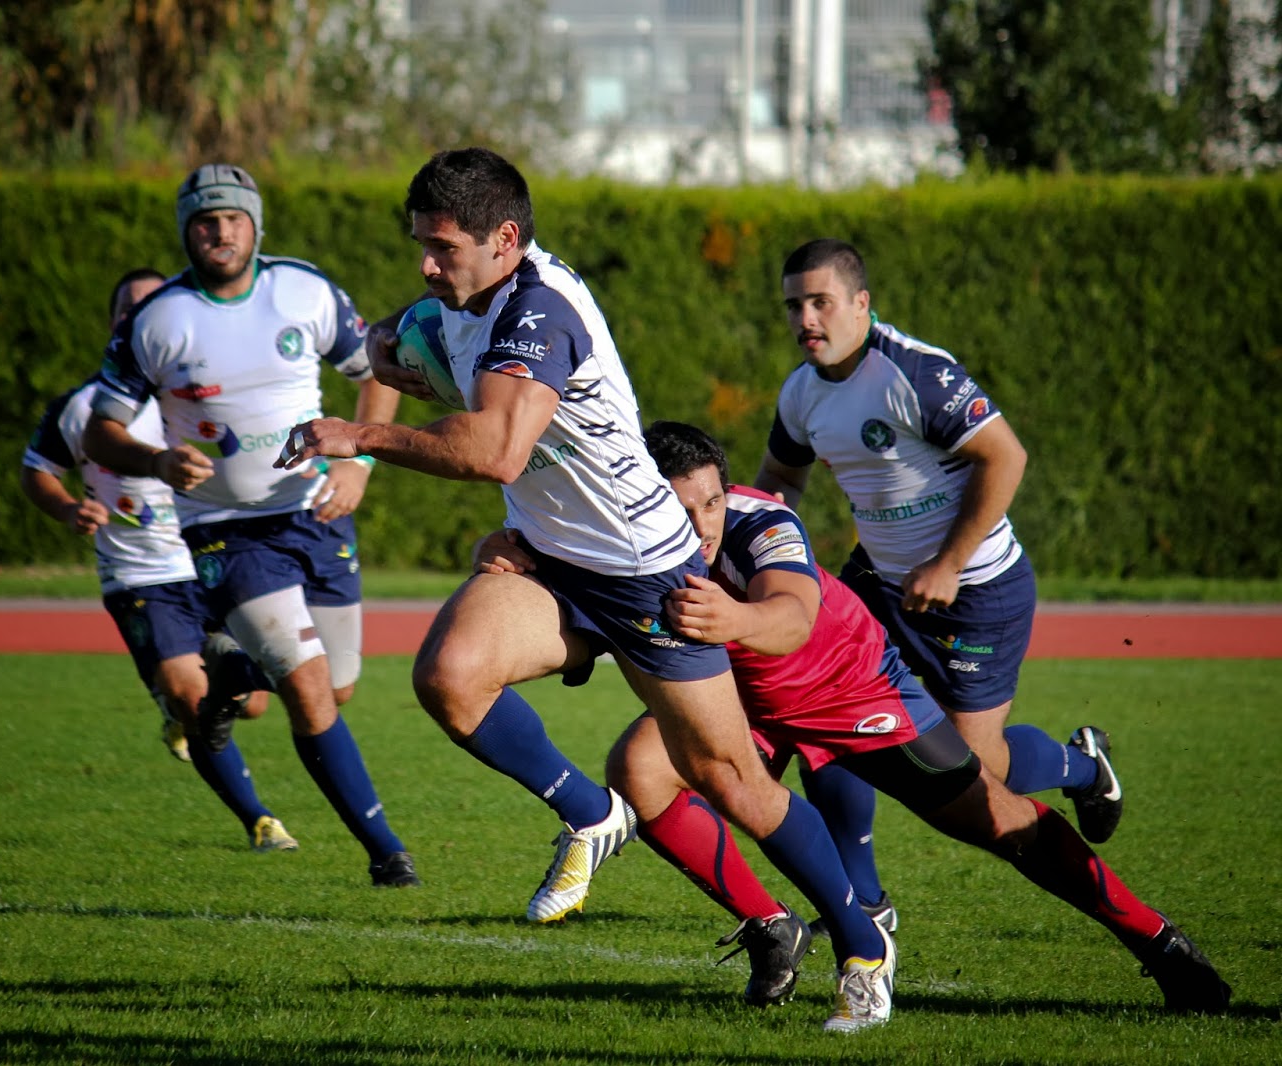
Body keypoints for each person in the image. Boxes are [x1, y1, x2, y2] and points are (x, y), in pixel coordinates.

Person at [274, 149, 894, 1024]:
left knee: (730, 782)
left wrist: (362, 440)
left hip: (646, 569)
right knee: (450, 677)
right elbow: (386, 348)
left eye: (441, 247)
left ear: (506, 240)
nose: (425, 263)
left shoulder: (540, 312)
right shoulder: (455, 301)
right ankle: (599, 817)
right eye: (419, 244)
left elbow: (495, 450)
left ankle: (863, 943)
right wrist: (350, 359)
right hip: (555, 559)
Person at [593, 421, 1226, 1028]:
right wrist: (511, 556)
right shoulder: (620, 538)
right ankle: (775, 926)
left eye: (711, 504)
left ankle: (1161, 944)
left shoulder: (762, 521)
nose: (701, 526)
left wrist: (734, 621)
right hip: (741, 705)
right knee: (638, 771)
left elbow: (794, 616)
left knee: (999, 819)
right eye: (681, 509)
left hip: (851, 687)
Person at [751, 238, 1125, 928]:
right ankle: (866, 899)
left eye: (820, 301)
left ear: (861, 305)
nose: (806, 317)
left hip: (978, 591)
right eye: (794, 305)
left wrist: (949, 564)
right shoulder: (802, 392)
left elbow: (1005, 457)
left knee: (974, 768)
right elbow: (779, 484)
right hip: (875, 582)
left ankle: (1080, 765)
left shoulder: (915, 374)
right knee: (826, 723)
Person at [82, 165, 419, 888]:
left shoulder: (303, 289)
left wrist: (360, 460)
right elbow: (101, 432)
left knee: (341, 686)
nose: (221, 231)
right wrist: (154, 459)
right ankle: (387, 852)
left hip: (316, 515)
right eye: (206, 221)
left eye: (234, 217)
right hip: (227, 531)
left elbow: (377, 368)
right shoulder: (160, 319)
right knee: (307, 689)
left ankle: (230, 669)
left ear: (256, 224)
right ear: (186, 232)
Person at [19, 266, 299, 854]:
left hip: (210, 563)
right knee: (191, 693)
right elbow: (37, 471)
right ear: (117, 325)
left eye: (155, 304)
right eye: (131, 308)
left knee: (252, 704)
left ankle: (179, 712)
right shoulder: (84, 409)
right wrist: (70, 509)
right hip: (141, 577)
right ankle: (259, 821)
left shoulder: (201, 395)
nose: (143, 315)